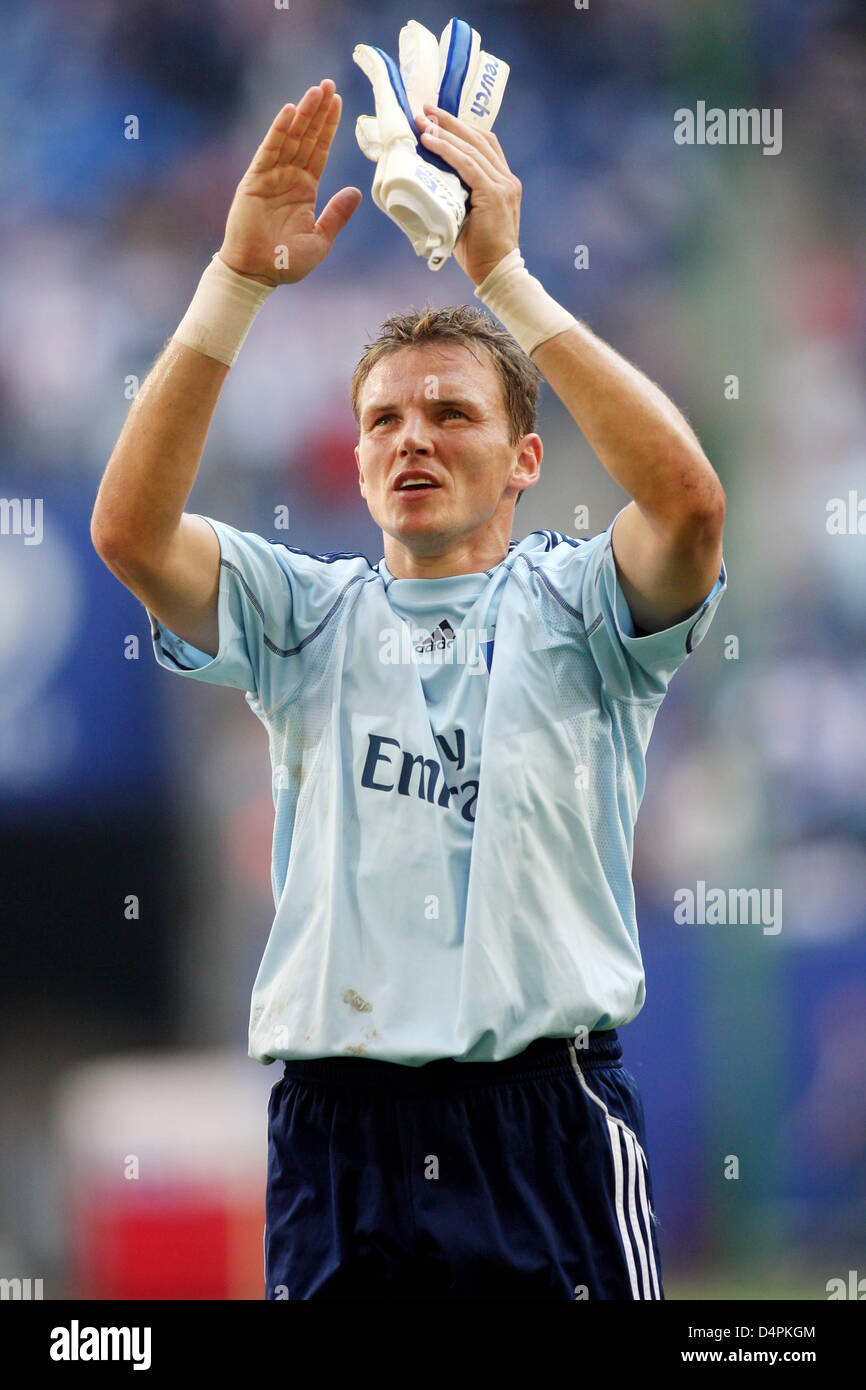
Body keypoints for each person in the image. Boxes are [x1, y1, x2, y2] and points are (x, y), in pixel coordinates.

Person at [91, 78, 727, 1300]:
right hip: (338, 1136)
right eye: (382, 419)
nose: (411, 439)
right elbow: (128, 530)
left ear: (524, 459)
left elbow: (690, 504)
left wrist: (505, 280)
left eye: (450, 412)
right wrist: (234, 284)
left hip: (540, 1125)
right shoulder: (302, 615)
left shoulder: (582, 608)